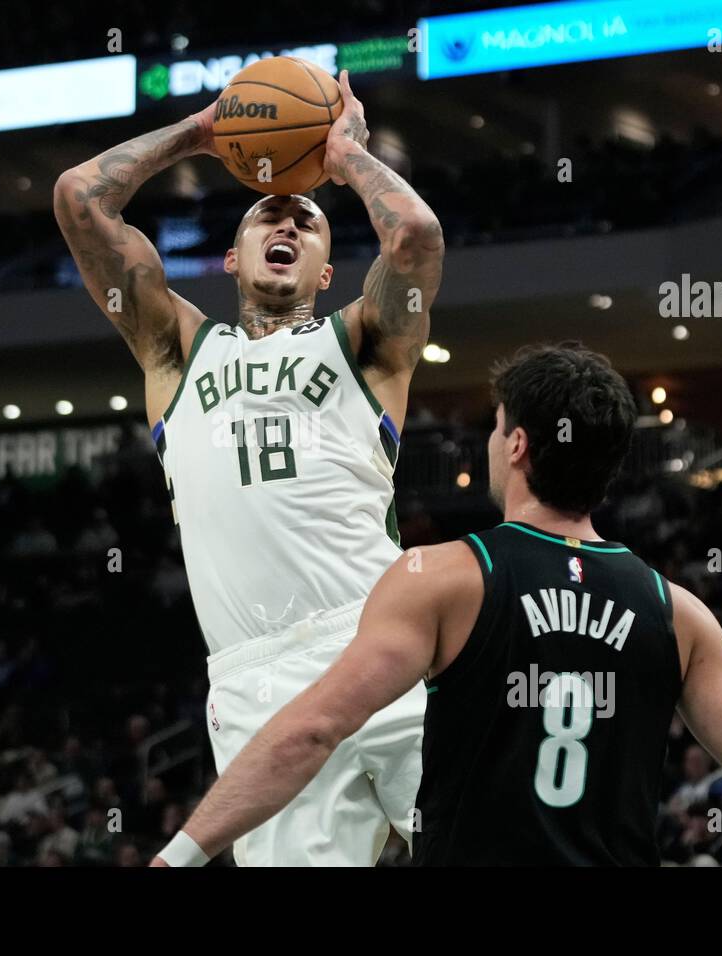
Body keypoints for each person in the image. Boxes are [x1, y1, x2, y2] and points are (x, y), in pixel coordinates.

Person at [155, 344, 722, 865]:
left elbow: (312, 730)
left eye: (495, 430)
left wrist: (178, 854)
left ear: (516, 445)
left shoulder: (444, 578)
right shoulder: (677, 614)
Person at [54, 70, 443, 866]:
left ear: (327, 275)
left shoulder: (362, 343)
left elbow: (415, 236)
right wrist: (202, 131)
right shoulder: (175, 348)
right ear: (230, 260)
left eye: (308, 222)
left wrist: (347, 159)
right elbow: (79, 200)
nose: (288, 224)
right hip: (254, 673)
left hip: (380, 640)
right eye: (269, 213)